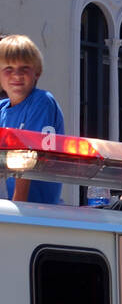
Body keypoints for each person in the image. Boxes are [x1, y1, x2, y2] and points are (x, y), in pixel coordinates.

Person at [0, 34, 65, 204]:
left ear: (37, 72)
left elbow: (29, 156)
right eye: (8, 69)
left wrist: (18, 211)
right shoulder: (2, 109)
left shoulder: (42, 101)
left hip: (37, 211)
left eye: (24, 68)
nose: (17, 75)